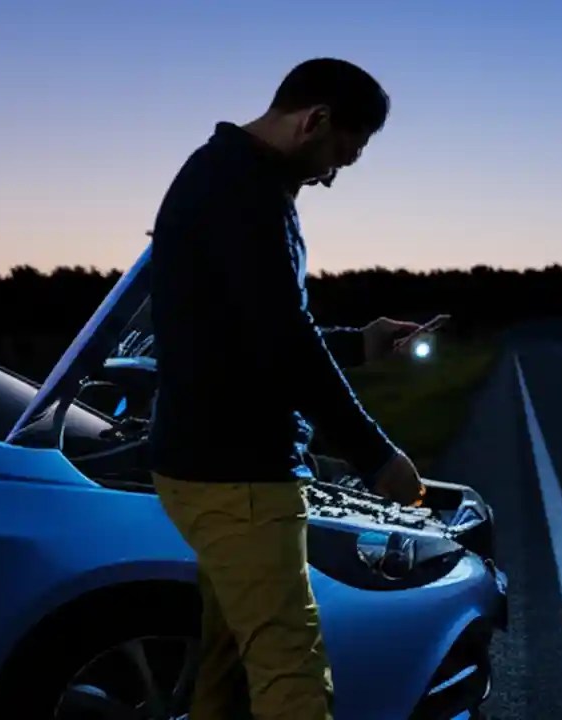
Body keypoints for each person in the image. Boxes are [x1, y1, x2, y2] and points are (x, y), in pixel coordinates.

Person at [146, 57, 424, 720]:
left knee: (230, 669)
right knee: (291, 676)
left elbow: (253, 332)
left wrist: (360, 342)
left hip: (215, 467)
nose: (330, 176)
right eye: (340, 156)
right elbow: (282, 339)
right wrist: (376, 455)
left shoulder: (232, 177)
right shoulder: (240, 189)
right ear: (315, 120)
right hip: (236, 475)